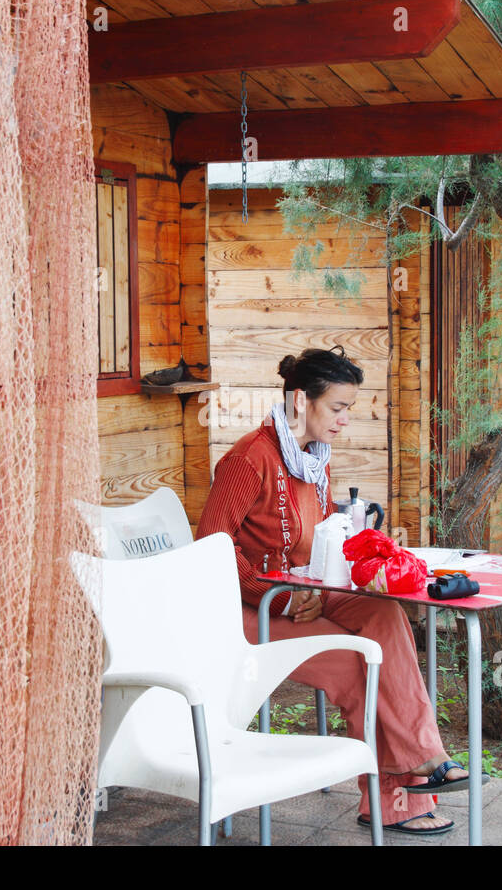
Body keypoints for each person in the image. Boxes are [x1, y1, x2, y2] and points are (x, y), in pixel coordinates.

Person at [196, 346, 473, 836]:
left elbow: (319, 541)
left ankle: (423, 756)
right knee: (358, 662)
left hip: (305, 595)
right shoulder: (248, 459)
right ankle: (395, 799)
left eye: (349, 409)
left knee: (385, 616)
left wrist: (334, 578)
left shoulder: (315, 460)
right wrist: (276, 597)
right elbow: (211, 551)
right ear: (301, 400)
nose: (345, 421)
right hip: (245, 611)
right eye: (338, 408)